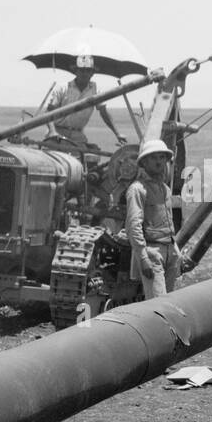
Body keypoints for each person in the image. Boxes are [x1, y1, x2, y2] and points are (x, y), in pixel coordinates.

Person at [125, 139, 181, 300]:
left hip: (170, 250)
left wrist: (176, 251)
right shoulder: (137, 189)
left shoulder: (165, 189)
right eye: (153, 158)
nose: (159, 162)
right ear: (144, 162)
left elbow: (168, 222)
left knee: (169, 303)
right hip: (152, 252)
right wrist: (143, 258)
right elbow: (133, 226)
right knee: (159, 305)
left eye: (162, 157)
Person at [44, 55, 128, 150]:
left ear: (92, 73)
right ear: (76, 71)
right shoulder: (62, 88)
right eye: (81, 70)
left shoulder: (95, 90)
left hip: (77, 135)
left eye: (88, 70)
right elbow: (48, 112)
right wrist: (52, 131)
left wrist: (118, 134)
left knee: (89, 159)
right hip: (57, 133)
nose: (84, 73)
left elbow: (104, 113)